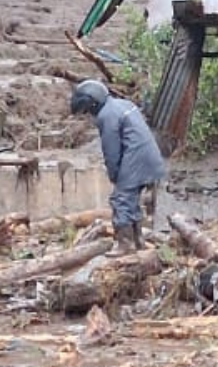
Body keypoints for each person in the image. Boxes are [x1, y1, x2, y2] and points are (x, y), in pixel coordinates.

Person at [70, 78, 167, 256]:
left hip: (136, 158)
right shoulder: (122, 104)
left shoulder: (106, 116)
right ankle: (139, 241)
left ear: (92, 103)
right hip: (151, 157)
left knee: (120, 199)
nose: (88, 115)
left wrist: (114, 175)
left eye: (86, 110)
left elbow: (111, 150)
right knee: (131, 200)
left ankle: (124, 244)